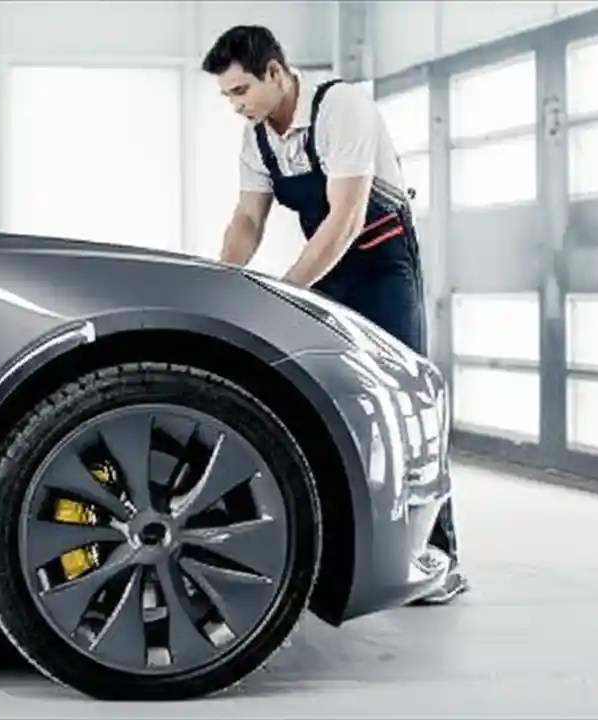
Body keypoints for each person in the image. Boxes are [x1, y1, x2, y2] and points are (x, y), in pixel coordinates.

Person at [202, 25, 469, 604]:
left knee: (403, 404)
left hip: (382, 266)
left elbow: (347, 216)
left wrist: (287, 290)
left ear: (276, 72)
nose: (236, 105)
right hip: (327, 269)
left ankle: (440, 558)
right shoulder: (257, 138)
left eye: (241, 90)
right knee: (332, 400)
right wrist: (223, 282)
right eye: (227, 96)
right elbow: (248, 219)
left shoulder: (341, 107)